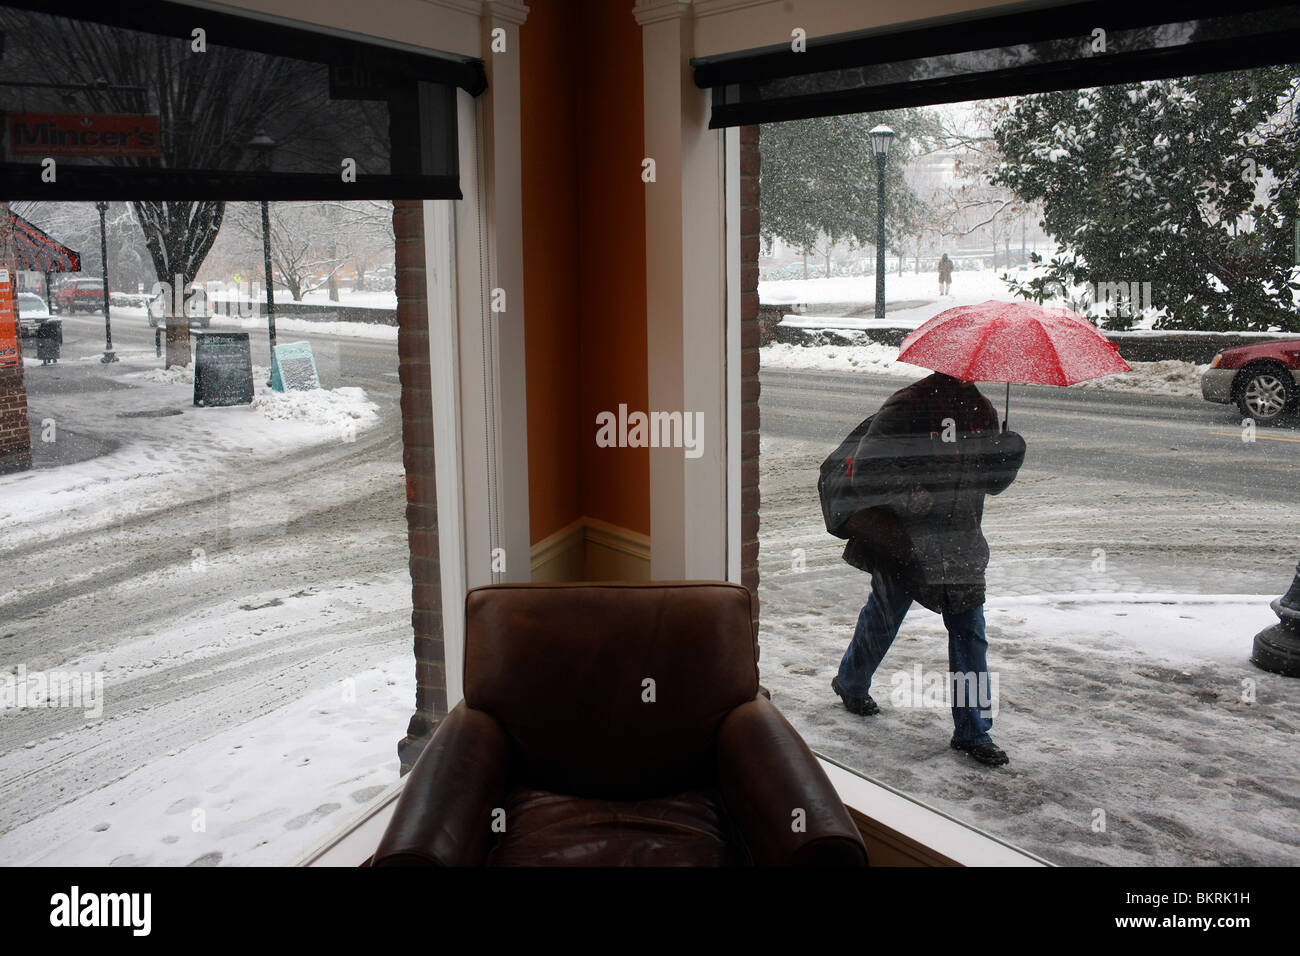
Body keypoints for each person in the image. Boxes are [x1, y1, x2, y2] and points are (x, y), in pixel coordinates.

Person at [831, 371, 1026, 766]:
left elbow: (990, 484)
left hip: (961, 545)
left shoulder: (982, 409)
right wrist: (911, 495)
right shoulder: (909, 404)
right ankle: (851, 681)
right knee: (885, 614)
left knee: (970, 632)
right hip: (907, 542)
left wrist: (1007, 455)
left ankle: (973, 731)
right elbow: (867, 467)